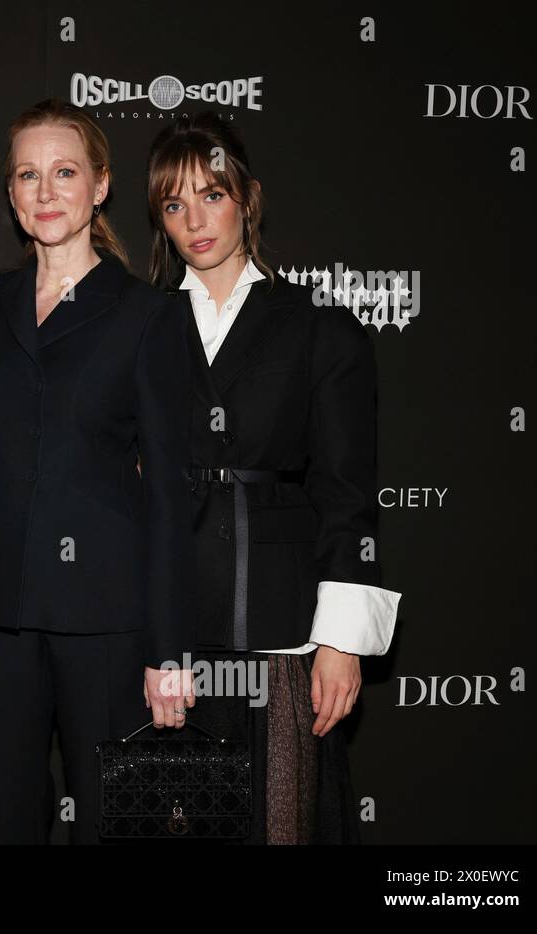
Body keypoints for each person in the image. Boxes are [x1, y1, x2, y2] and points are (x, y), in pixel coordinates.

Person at [146, 111, 401, 844]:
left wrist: (342, 640)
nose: (195, 219)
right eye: (174, 203)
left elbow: (347, 493)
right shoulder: (144, 327)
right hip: (173, 627)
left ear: (247, 198)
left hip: (282, 630)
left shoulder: (320, 326)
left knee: (279, 820)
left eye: (212, 195)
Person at [0, 99, 196, 845]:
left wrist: (171, 652)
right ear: (12, 193)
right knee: (8, 822)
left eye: (65, 172)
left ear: (100, 186)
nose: (47, 191)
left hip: (108, 623)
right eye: (28, 174)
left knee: (115, 825)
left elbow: (172, 495)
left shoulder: (147, 315)